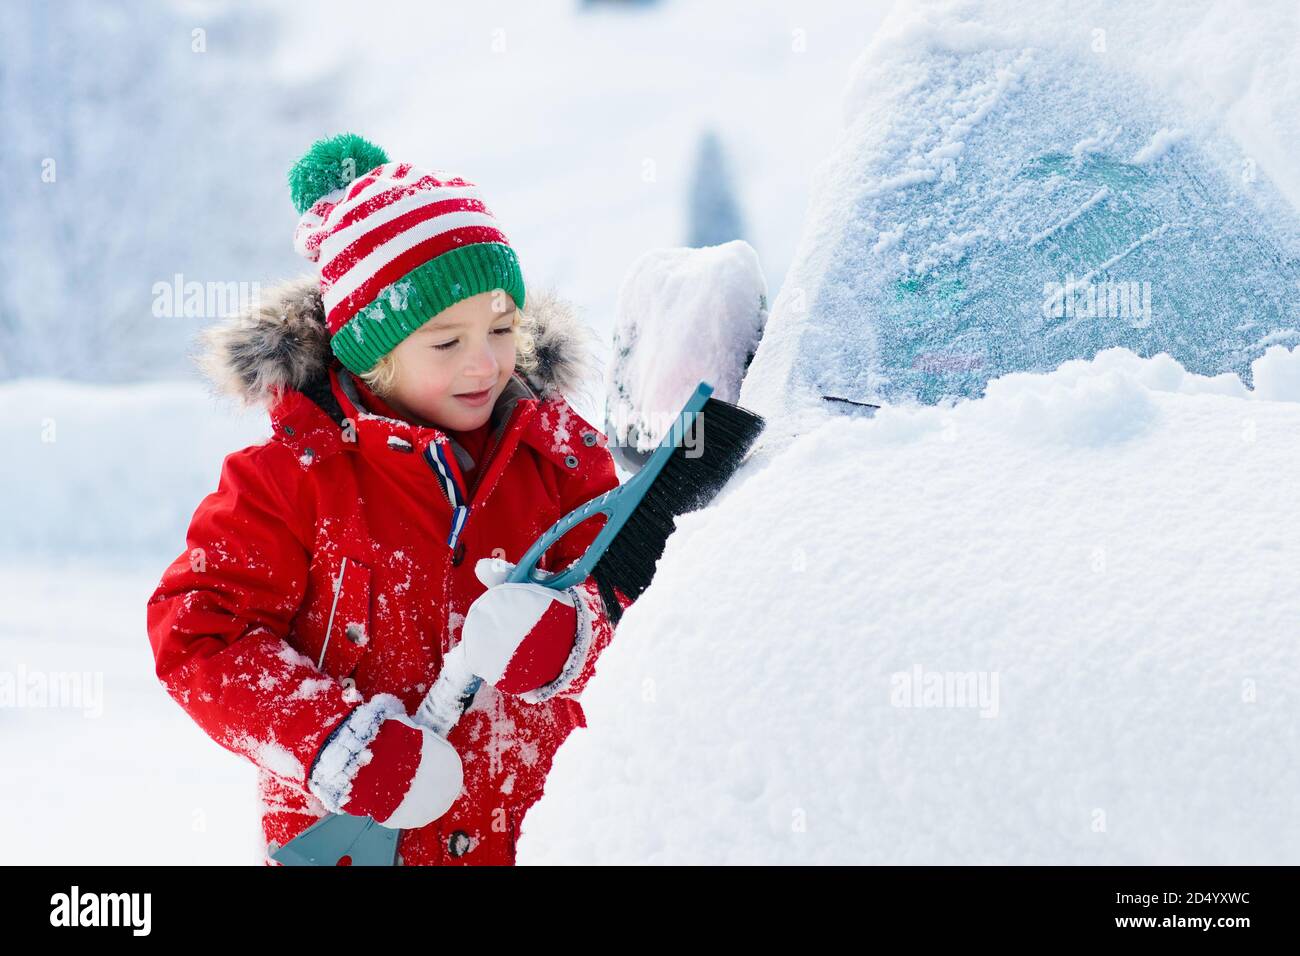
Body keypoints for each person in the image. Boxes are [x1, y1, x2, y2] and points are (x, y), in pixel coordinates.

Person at [146, 133, 632, 865]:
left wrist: (578, 634)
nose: (486, 362)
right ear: (373, 354)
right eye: (446, 342)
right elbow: (199, 633)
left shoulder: (561, 454)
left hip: (541, 842)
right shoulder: (292, 477)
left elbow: (639, 586)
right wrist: (334, 743)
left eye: (502, 329)